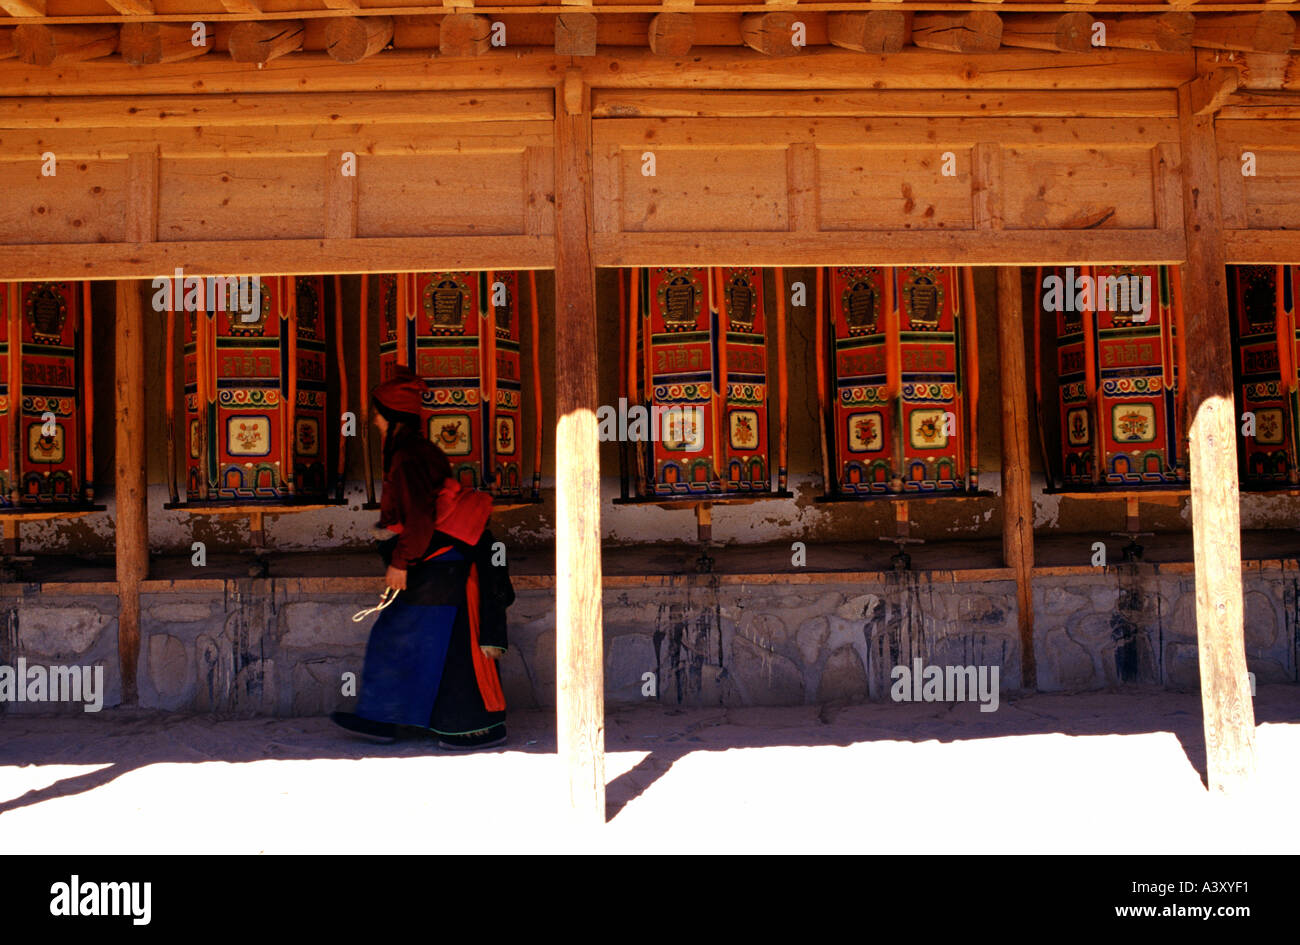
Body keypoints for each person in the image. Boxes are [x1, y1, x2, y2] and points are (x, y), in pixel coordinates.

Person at [332, 367, 514, 749]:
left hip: (441, 563)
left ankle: (420, 724)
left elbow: (419, 518)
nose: (374, 419)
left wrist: (400, 562)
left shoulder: (409, 457)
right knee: (432, 640)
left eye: (378, 412)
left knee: (405, 636)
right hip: (444, 561)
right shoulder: (413, 452)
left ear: (392, 416)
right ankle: (394, 720)